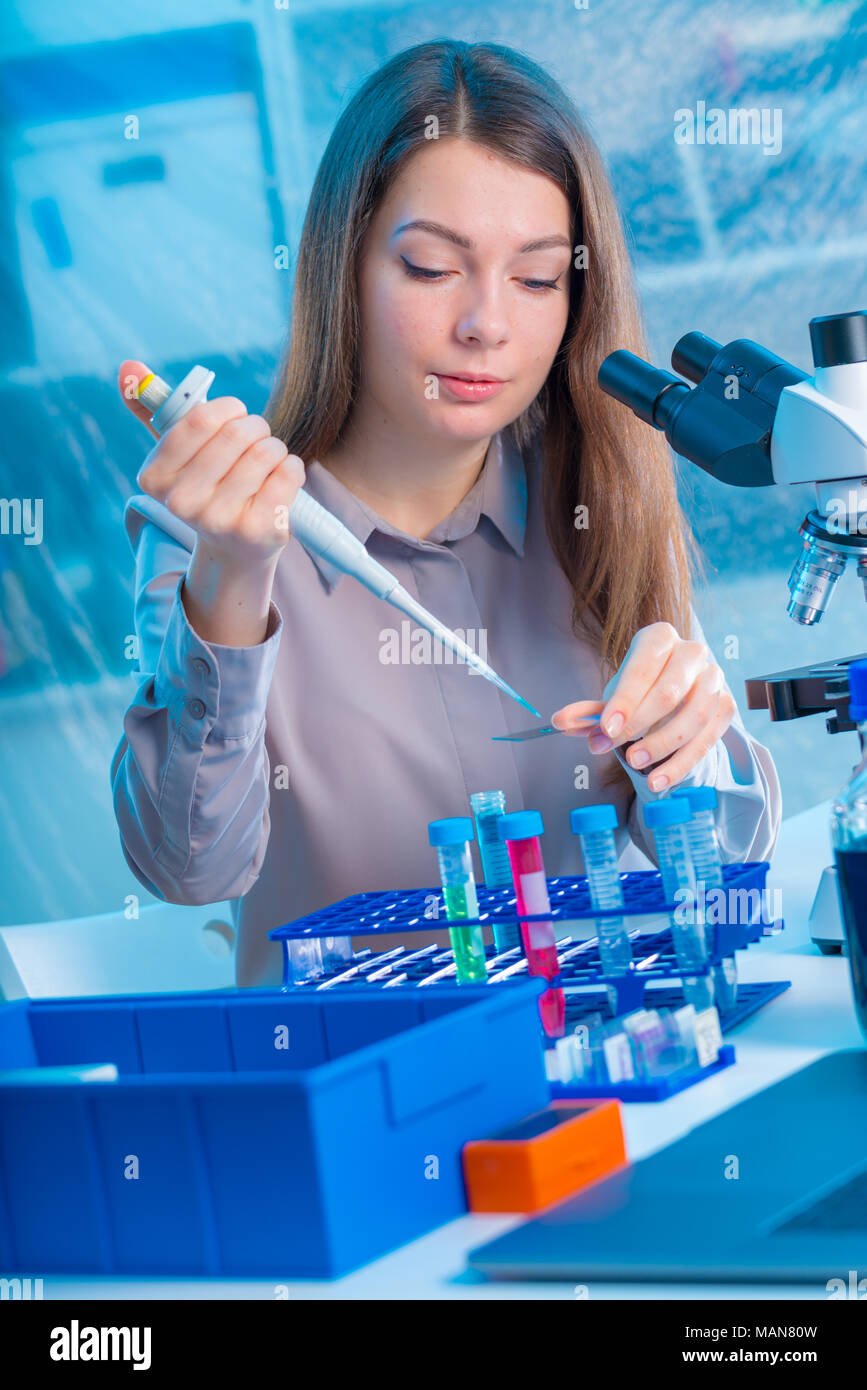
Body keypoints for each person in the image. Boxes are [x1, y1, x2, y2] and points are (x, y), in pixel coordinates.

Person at [111, 39, 781, 987]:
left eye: (538, 277)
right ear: (341, 268)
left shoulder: (605, 504)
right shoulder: (207, 536)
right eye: (430, 268)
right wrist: (229, 580)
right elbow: (189, 867)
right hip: (357, 1098)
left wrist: (692, 757)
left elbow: (729, 873)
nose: (487, 325)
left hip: (607, 1072)